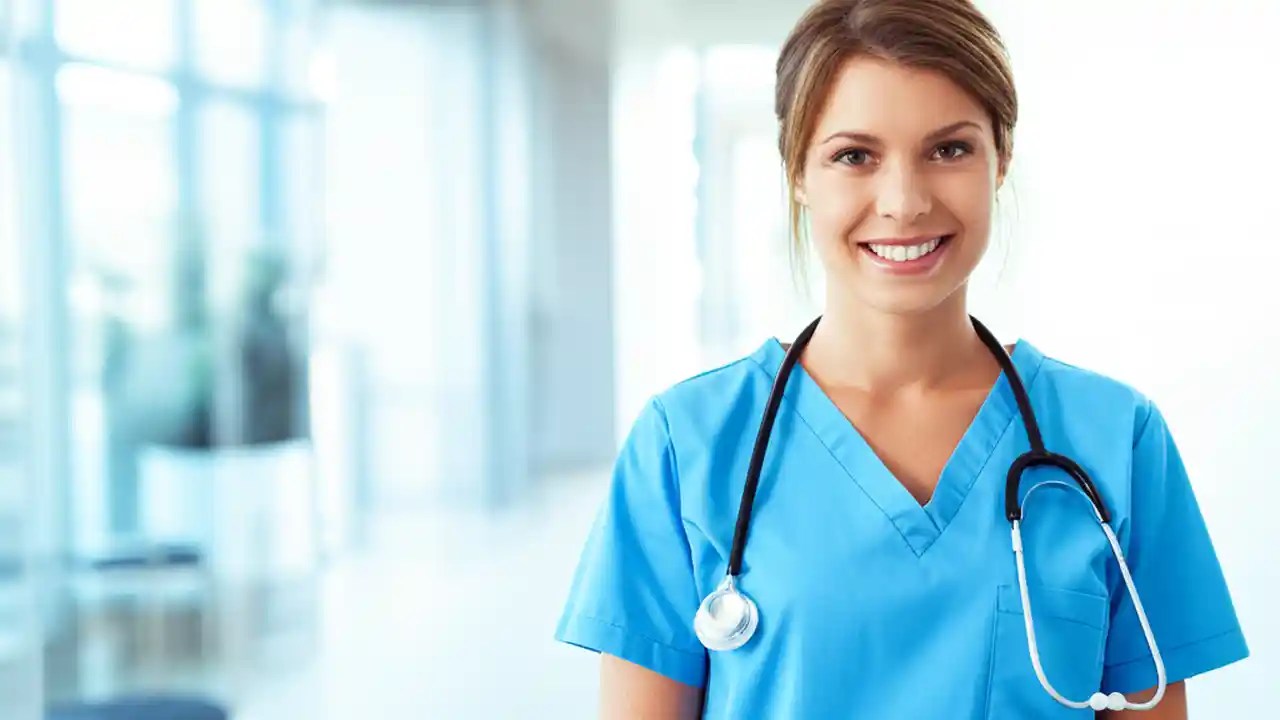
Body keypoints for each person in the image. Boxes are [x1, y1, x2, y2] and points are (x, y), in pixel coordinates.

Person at [554, 0, 1249, 717]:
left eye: (949, 149)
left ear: (1000, 159)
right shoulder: (686, 442)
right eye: (854, 155)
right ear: (798, 172)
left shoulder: (1116, 437)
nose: (905, 201)